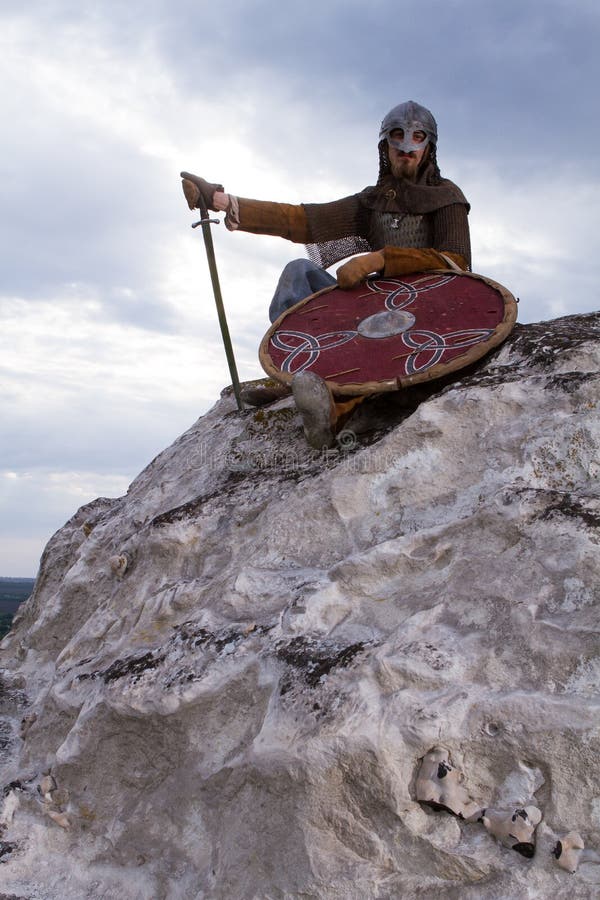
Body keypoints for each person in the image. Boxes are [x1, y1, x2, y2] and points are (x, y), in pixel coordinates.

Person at [181, 100, 471, 449]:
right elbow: (302, 220)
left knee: (380, 351)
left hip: (421, 316)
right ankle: (297, 374)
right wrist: (221, 201)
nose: (407, 146)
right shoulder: (373, 201)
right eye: (398, 136)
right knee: (299, 272)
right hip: (373, 306)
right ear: (385, 146)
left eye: (417, 138)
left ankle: (334, 411)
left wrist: (382, 259)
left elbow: (456, 262)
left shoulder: (447, 197)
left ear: (428, 147)